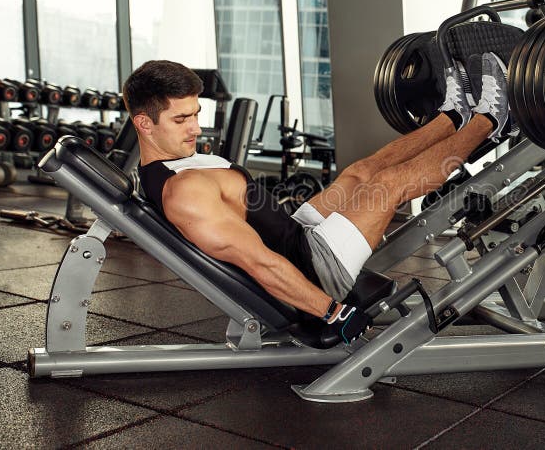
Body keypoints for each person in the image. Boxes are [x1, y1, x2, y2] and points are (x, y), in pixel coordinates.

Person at [122, 54, 509, 345]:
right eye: (181, 120)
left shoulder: (176, 163)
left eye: (195, 114)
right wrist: (333, 313)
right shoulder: (184, 192)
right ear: (144, 123)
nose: (195, 127)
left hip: (296, 231)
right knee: (389, 184)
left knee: (361, 171)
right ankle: (489, 122)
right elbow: (258, 262)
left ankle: (451, 117)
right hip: (315, 265)